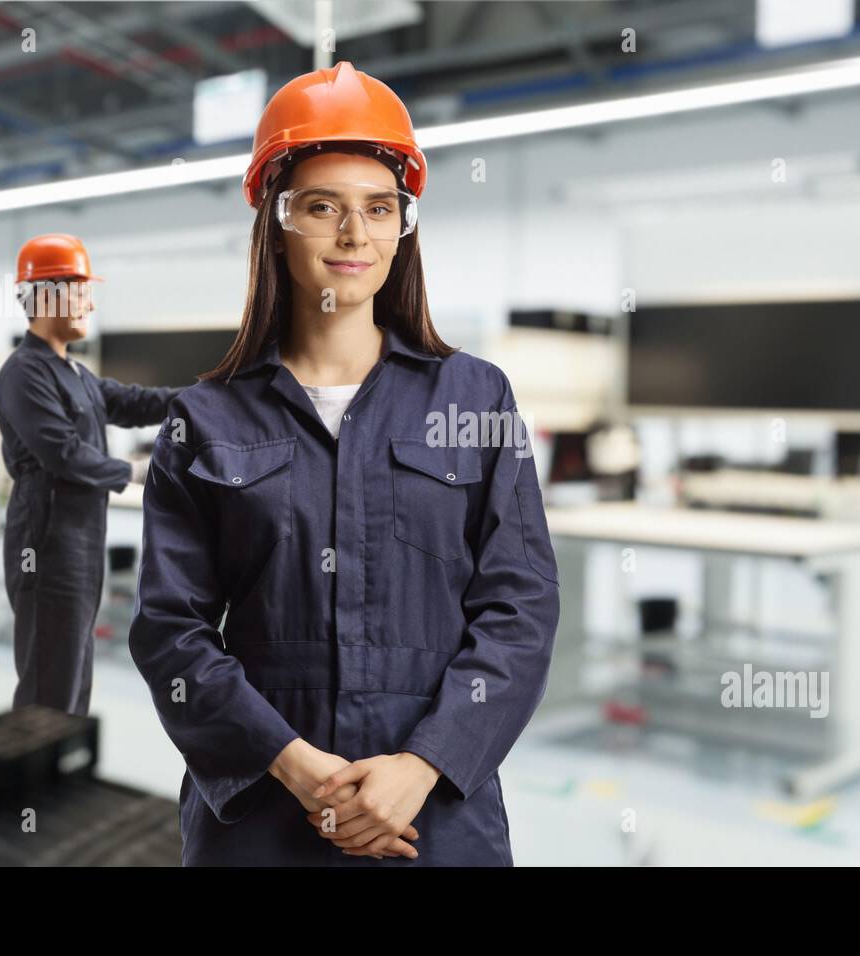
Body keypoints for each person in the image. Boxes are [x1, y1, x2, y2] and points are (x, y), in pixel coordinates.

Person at [128, 61, 560, 866]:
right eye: (323, 207)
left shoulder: (476, 396)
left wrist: (424, 762)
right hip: (261, 809)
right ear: (276, 224)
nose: (355, 234)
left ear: (403, 227)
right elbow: (169, 630)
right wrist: (293, 764)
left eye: (379, 207)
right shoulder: (205, 419)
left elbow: (521, 605)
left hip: (435, 815)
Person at [0, 233, 182, 716]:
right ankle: (34, 783)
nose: (89, 302)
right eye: (80, 289)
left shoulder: (73, 373)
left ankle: (61, 767)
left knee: (74, 671)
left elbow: (135, 402)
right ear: (47, 294)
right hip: (48, 542)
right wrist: (136, 471)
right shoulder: (23, 373)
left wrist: (213, 393)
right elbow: (63, 453)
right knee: (48, 679)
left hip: (80, 538)